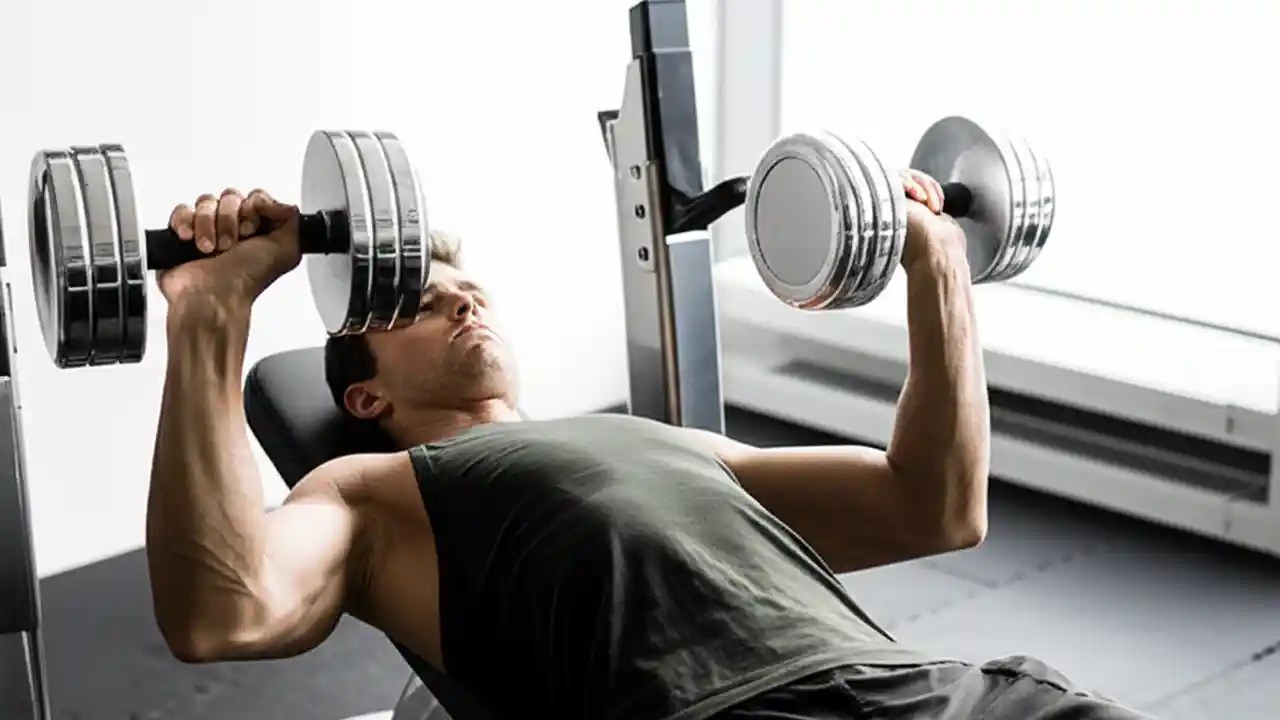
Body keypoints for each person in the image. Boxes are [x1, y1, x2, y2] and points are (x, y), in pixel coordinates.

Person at [145, 170, 1153, 720]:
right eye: (418, 304)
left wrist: (937, 266)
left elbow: (933, 506)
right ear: (362, 395)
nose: (462, 301)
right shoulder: (367, 488)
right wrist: (211, 312)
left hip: (959, 695)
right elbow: (221, 613)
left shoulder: (667, 443)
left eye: (470, 291)